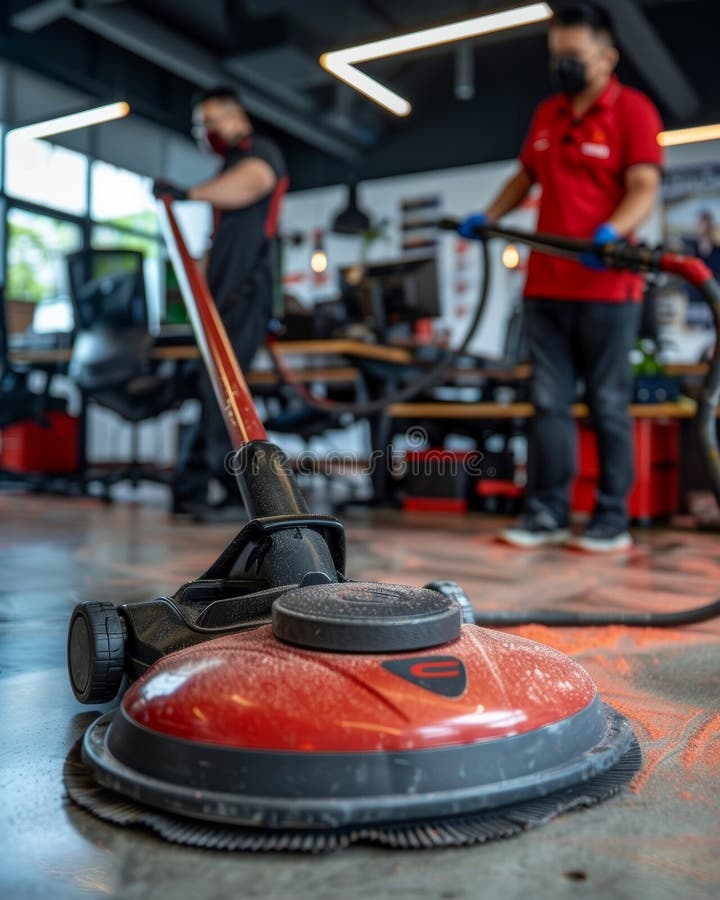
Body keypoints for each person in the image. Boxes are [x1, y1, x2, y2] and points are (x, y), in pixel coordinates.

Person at [460, 3, 663, 552]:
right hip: (546, 285)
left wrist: (612, 233)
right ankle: (546, 513)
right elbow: (525, 174)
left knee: (607, 401)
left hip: (607, 287)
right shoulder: (548, 113)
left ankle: (610, 520)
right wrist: (492, 217)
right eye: (557, 56)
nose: (563, 66)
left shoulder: (634, 111)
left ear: (607, 56)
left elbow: (643, 185)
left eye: (574, 56)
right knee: (547, 402)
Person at [154, 86, 289, 519]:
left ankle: (229, 493)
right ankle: (191, 486)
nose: (205, 132)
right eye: (200, 126)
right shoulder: (228, 169)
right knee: (209, 388)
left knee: (225, 395)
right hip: (223, 297)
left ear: (236, 117)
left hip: (248, 293)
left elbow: (255, 182)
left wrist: (187, 194)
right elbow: (219, 237)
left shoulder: (259, 153)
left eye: (210, 122)